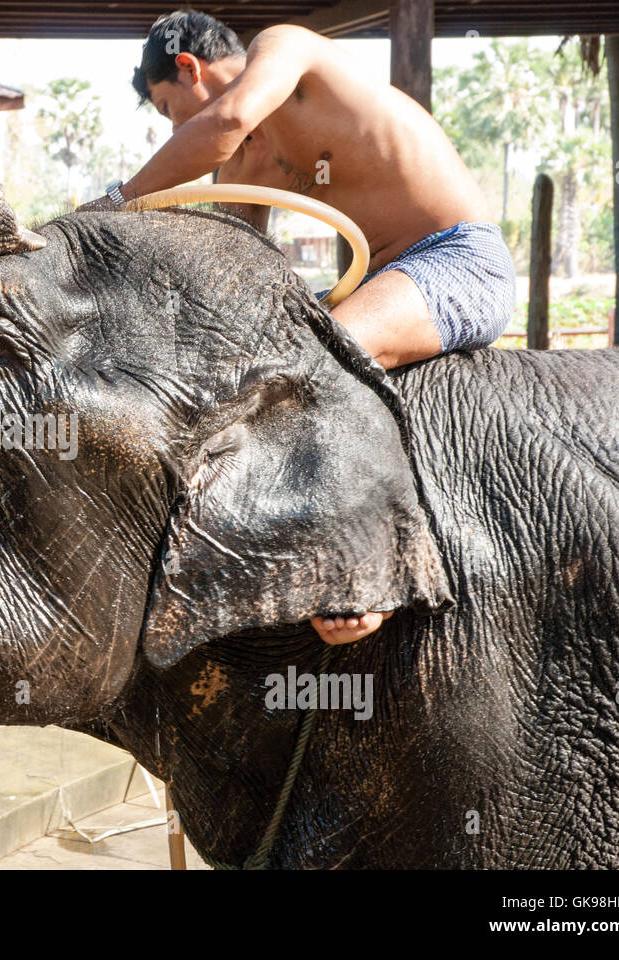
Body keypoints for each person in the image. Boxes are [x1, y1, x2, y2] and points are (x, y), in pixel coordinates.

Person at [88, 10, 515, 645]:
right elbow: (228, 279)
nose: (174, 128)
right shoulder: (242, 170)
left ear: (189, 67)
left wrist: (110, 205)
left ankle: (361, 570)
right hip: (380, 282)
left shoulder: (286, 47)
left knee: (324, 360)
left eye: (168, 108)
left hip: (456, 261)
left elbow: (224, 121)